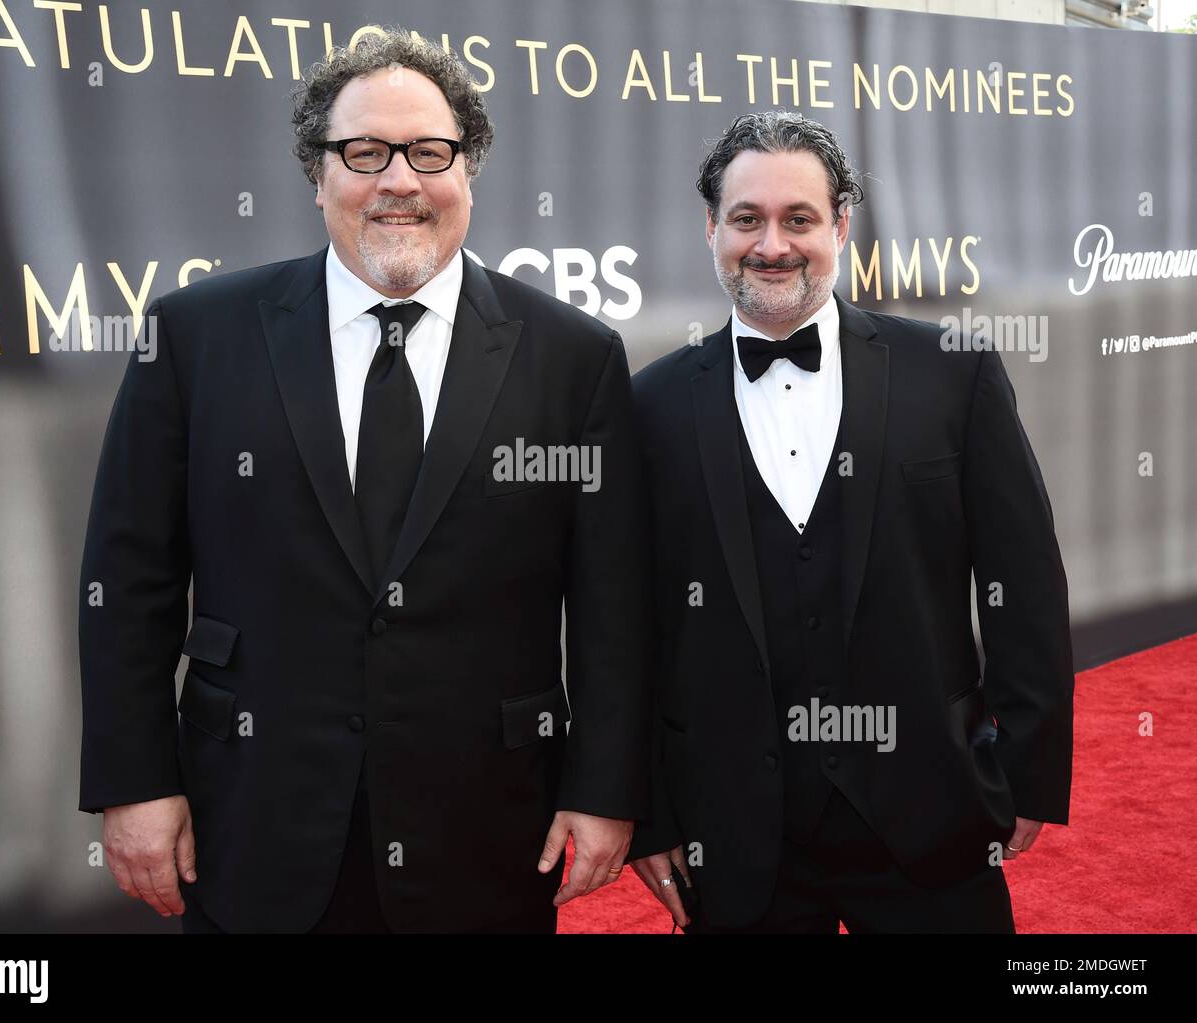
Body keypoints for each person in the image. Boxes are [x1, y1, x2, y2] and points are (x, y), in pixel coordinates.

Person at [78, 28, 649, 934]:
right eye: (364, 152)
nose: (399, 181)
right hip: (252, 820)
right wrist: (135, 780)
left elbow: (616, 602)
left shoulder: (575, 357)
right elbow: (128, 577)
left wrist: (607, 789)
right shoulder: (197, 336)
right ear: (317, 174)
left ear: (469, 172)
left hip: (488, 830)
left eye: (431, 152)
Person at [626, 110, 1073, 933]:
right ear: (710, 228)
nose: (772, 244)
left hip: (931, 816)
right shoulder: (647, 406)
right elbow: (631, 627)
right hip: (734, 832)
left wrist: (1029, 772)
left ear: (840, 223)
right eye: (746, 219)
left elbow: (1025, 583)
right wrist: (647, 814)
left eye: (799, 218)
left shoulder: (951, 371)